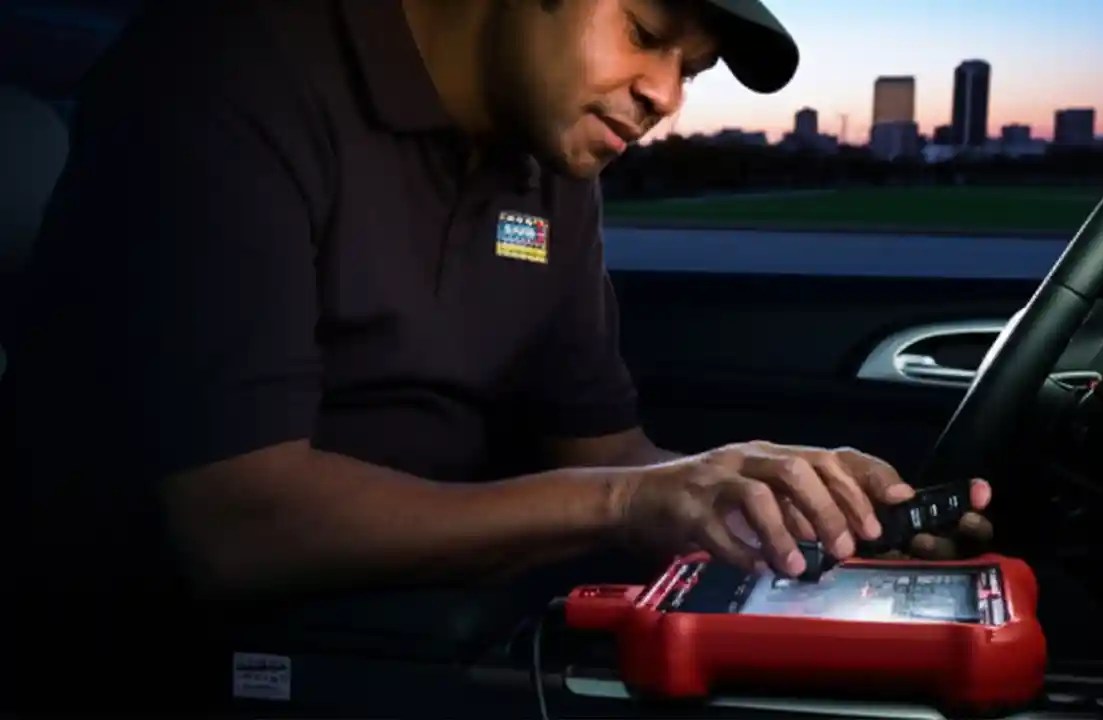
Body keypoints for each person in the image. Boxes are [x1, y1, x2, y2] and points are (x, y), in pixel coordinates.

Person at [6, 0, 993, 709]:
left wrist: (765, 508)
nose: (663, 95)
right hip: (187, 653)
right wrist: (630, 500)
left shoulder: (553, 162)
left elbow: (602, 455)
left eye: (689, 71)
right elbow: (236, 524)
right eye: (644, 33)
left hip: (438, 624)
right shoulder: (227, 71)